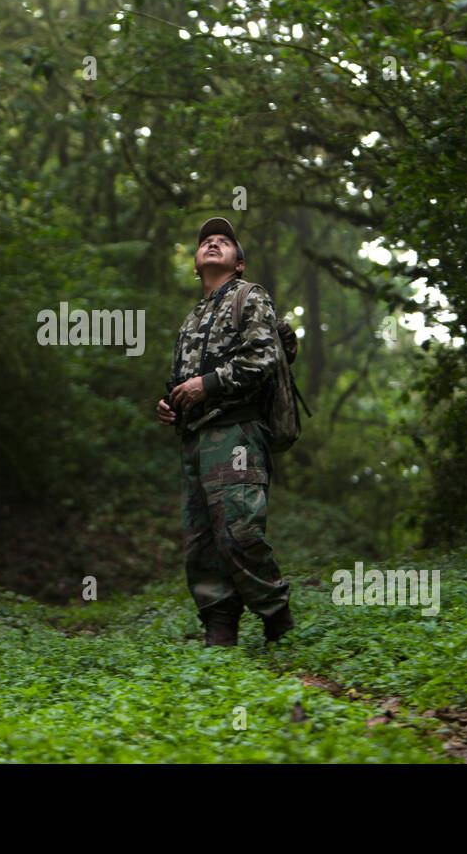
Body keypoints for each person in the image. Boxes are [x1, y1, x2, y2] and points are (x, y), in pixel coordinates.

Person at [157, 217, 294, 647]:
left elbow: (264, 358)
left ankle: (277, 619)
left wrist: (206, 385)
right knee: (201, 544)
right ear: (196, 265)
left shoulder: (249, 297)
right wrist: (172, 407)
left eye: (224, 241)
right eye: (205, 243)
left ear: (238, 263)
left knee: (240, 531)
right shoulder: (190, 319)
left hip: (236, 433)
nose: (213, 244)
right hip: (195, 440)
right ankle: (219, 630)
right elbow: (185, 382)